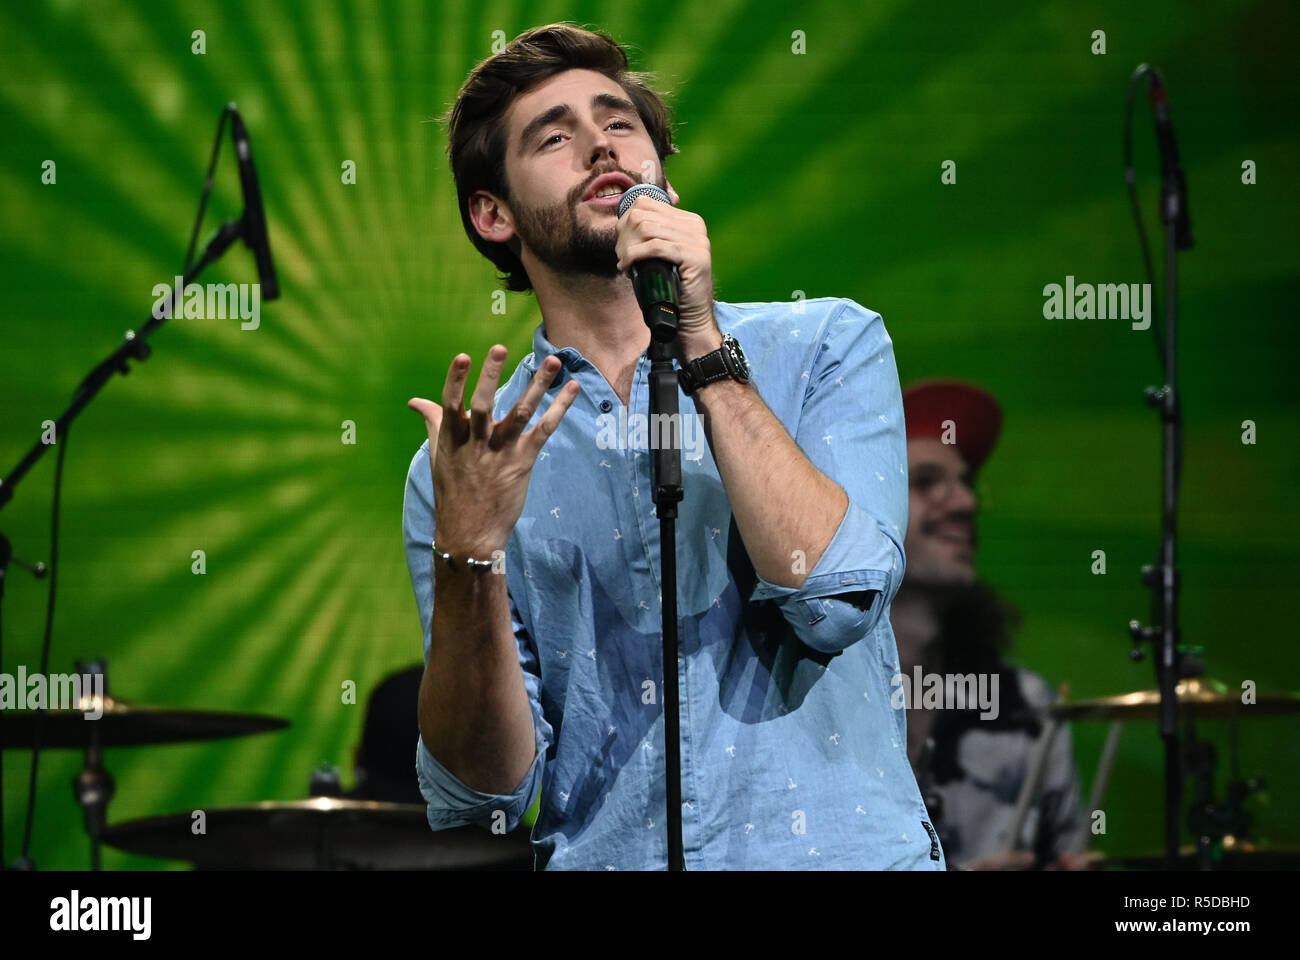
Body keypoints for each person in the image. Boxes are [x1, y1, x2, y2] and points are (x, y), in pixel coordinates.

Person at [402, 22, 943, 870]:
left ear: (663, 176)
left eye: (620, 123)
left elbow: (834, 599)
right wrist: (468, 553)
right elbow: (485, 789)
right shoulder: (468, 463)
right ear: (492, 213)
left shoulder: (827, 346)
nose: (598, 143)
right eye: (554, 135)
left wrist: (697, 338)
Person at [892, 379, 1089, 870]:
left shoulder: (1028, 708)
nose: (965, 504)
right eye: (926, 481)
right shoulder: (806, 702)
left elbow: (1071, 853)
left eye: (966, 484)